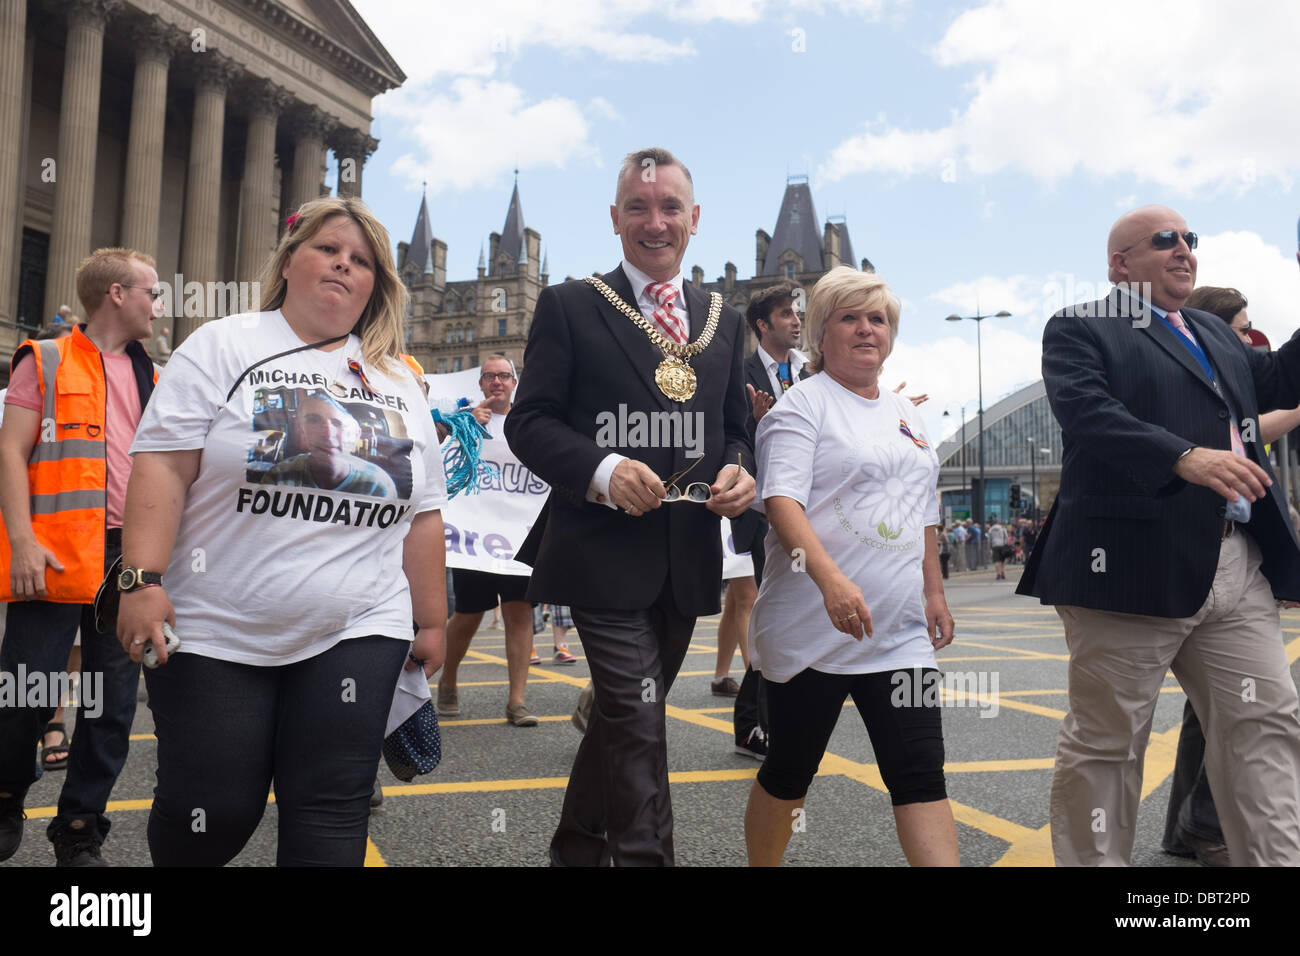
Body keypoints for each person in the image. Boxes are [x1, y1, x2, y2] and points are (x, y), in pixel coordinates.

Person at [116, 196, 447, 866]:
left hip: (360, 625)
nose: (344, 267)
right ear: (291, 259)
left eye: (361, 262)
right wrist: (140, 580)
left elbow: (423, 512)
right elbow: (163, 469)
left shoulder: (398, 381)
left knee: (331, 809)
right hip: (215, 626)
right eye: (329, 249)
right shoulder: (222, 344)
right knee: (214, 810)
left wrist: (432, 622)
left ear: (376, 285)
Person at [1018, 204, 1300, 866]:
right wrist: (1185, 456)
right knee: (1109, 744)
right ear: (1120, 263)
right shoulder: (1081, 325)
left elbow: (1278, 382)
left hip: (1235, 566)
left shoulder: (1214, 332)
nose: (1184, 250)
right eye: (1164, 240)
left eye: (1190, 239)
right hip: (1126, 569)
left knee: (1266, 726)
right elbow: (1090, 414)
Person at [506, 146, 755, 866]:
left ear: (695, 219)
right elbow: (531, 421)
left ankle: (575, 850)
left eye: (670, 207)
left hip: (685, 558)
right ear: (615, 219)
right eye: (639, 208)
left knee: (624, 720)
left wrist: (738, 472)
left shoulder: (723, 319)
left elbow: (733, 429)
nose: (656, 222)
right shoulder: (570, 305)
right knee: (641, 720)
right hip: (597, 554)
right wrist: (605, 467)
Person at [743, 267, 958, 866]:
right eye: (850, 318)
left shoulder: (907, 414)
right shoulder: (802, 408)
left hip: (899, 634)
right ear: (820, 332)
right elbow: (780, 501)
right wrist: (831, 579)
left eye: (878, 319)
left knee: (921, 774)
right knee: (789, 772)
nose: (867, 330)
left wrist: (933, 593)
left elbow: (923, 510)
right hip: (816, 628)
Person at [0, 248, 162, 866]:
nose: (158, 304)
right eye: (150, 291)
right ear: (116, 294)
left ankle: (78, 830)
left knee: (113, 709)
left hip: (127, 554)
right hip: (55, 550)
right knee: (26, 693)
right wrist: (22, 541)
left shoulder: (155, 374)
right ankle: (7, 789)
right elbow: (11, 452)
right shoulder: (42, 359)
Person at [436, 356, 542, 726]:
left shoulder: (529, 423)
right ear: (481, 384)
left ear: (514, 383)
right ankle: (447, 681)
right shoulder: (462, 418)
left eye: (503, 376)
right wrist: (462, 425)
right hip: (475, 537)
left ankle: (517, 701)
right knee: (467, 615)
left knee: (518, 611)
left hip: (519, 536)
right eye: (489, 377)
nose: (496, 382)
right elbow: (433, 454)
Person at [262, 391, 398, 496]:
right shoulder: (278, 476)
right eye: (313, 420)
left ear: (355, 434)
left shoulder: (378, 484)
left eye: (337, 423)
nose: (327, 434)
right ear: (301, 430)